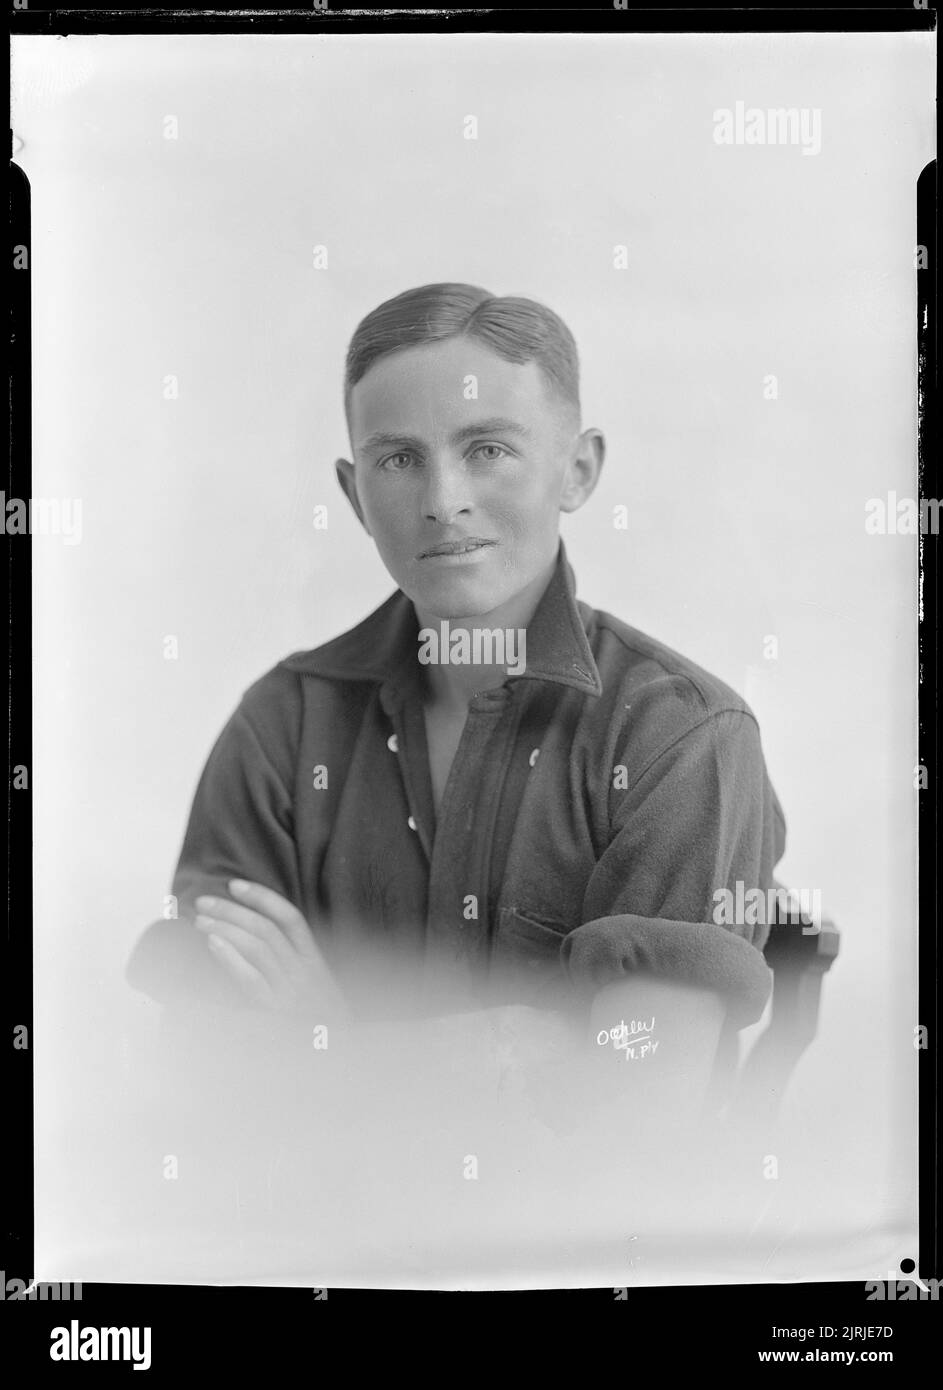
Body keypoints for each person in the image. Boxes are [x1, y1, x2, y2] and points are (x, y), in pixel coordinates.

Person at [127, 282, 785, 1099]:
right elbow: (198, 1075)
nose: (443, 502)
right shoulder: (282, 725)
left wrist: (330, 1038)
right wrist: (517, 1044)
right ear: (352, 494)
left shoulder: (681, 736)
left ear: (577, 470)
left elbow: (641, 1100)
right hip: (309, 1218)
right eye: (398, 459)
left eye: (487, 449)